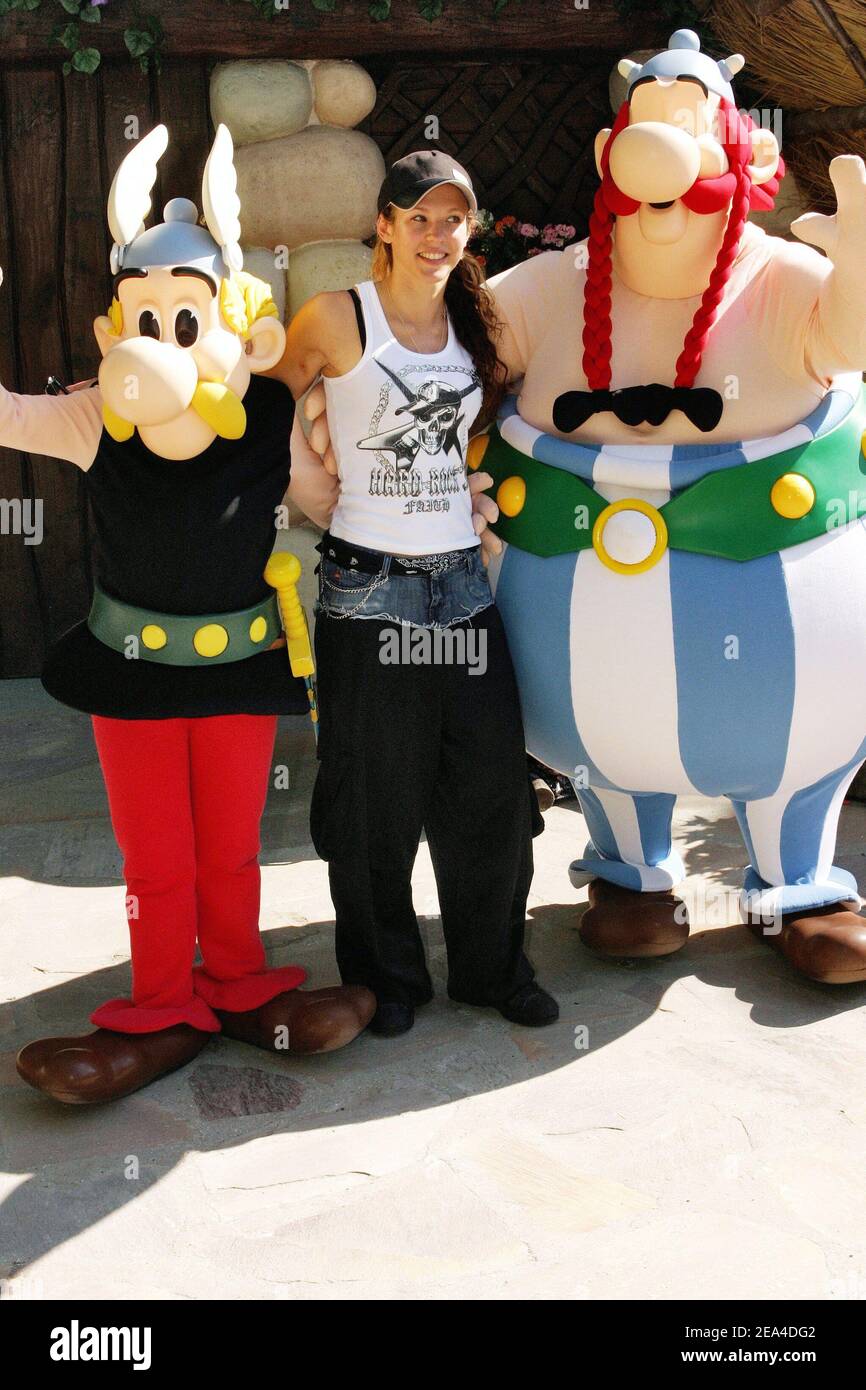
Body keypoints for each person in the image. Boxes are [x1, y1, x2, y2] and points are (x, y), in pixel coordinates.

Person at [270, 151, 559, 1036]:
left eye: (453, 220)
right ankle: (386, 980)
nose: (437, 236)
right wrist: (304, 485)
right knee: (370, 803)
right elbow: (261, 404)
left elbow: (484, 426)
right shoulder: (335, 317)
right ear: (385, 226)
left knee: (492, 795)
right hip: (369, 595)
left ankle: (491, 970)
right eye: (419, 217)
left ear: (469, 232)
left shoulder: (480, 325)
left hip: (464, 596)